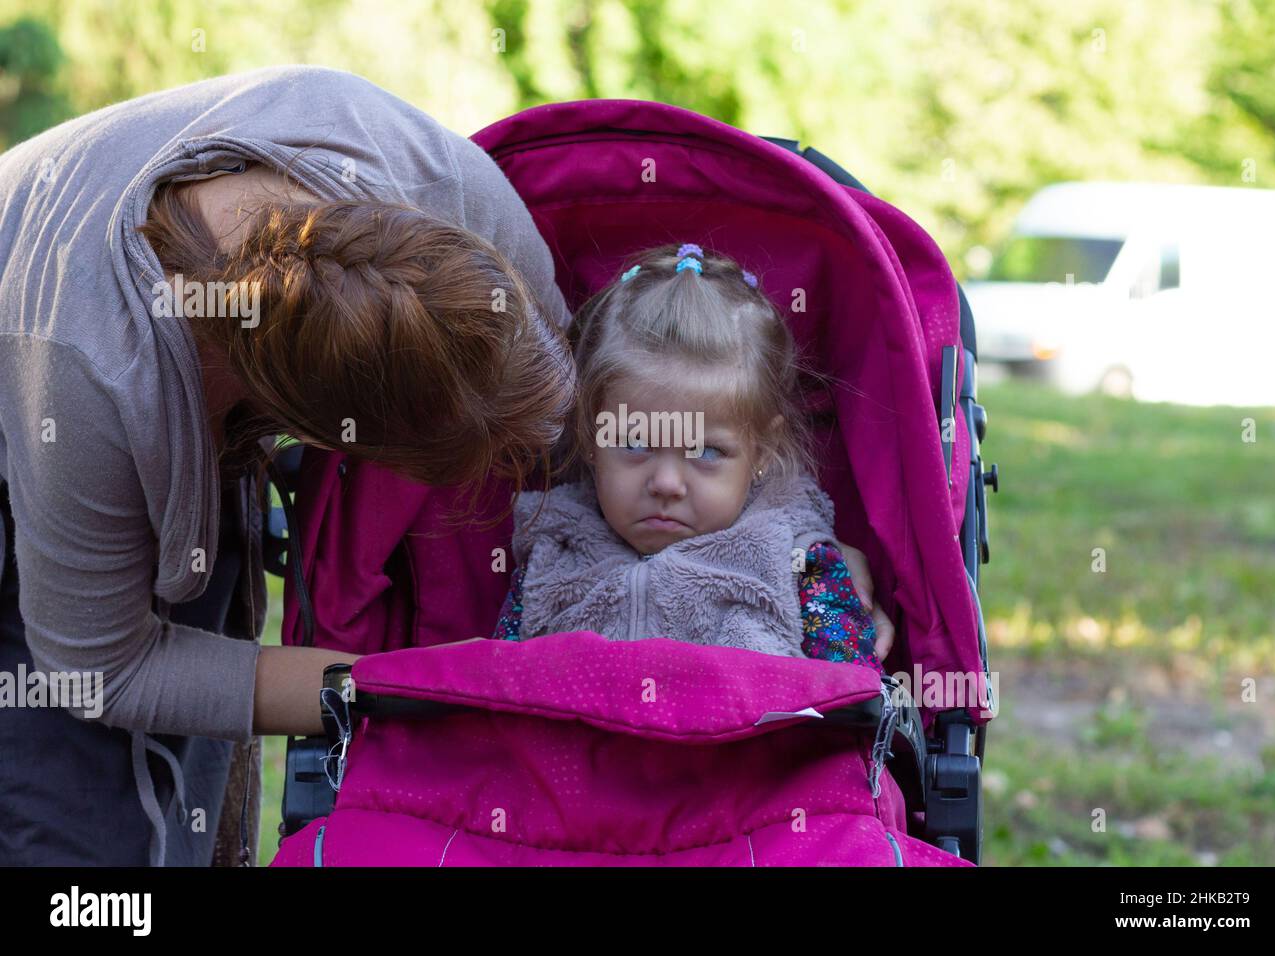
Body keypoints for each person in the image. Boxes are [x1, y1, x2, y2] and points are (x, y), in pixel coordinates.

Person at [0, 65, 575, 866]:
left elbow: (561, 405)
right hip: (32, 407)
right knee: (76, 836)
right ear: (316, 436)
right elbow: (101, 670)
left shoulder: (454, 194)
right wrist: (404, 688)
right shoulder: (93, 374)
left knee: (192, 802)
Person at [490, 243, 895, 668]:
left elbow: (850, 700)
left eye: (705, 450)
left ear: (762, 449)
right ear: (591, 437)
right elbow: (497, 690)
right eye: (634, 443)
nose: (666, 483)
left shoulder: (797, 560)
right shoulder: (553, 543)